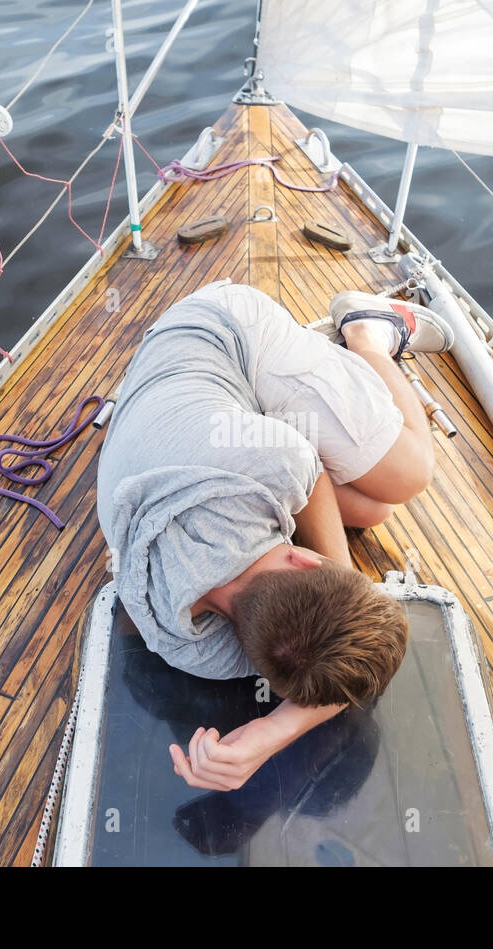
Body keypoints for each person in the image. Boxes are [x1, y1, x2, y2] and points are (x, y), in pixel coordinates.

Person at [95, 279, 454, 792]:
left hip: (219, 332)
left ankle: (365, 334)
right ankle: (369, 334)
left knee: (394, 484)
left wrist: (342, 588)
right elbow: (331, 684)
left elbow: (309, 476)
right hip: (211, 385)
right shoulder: (189, 646)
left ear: (306, 563)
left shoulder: (273, 463)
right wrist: (266, 733)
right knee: (384, 499)